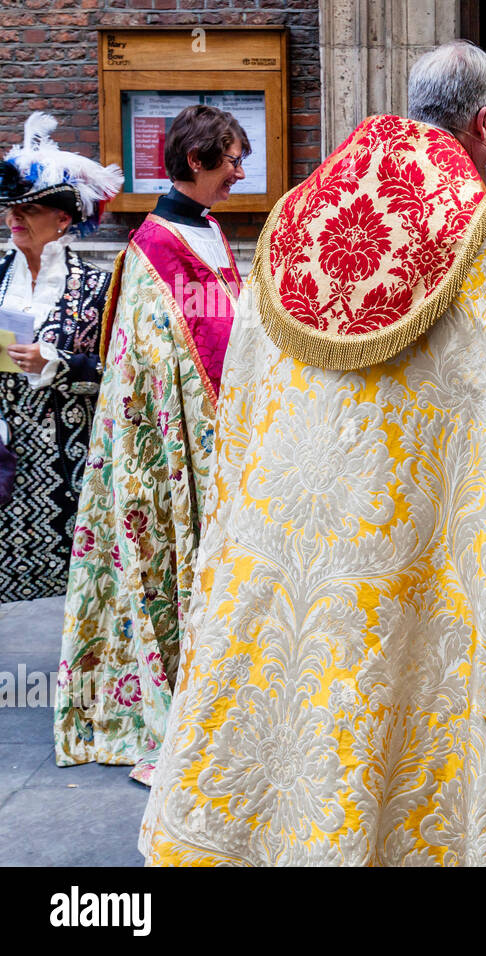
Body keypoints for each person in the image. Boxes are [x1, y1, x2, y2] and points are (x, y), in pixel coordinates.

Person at [138, 39, 486, 866]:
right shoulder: (480, 229)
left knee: (306, 679)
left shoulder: (299, 212)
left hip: (295, 537)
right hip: (421, 544)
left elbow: (249, 393)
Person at [54, 104, 247, 786]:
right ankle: (163, 727)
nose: (239, 172)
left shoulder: (212, 229)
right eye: (230, 160)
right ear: (195, 162)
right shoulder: (153, 247)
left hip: (221, 439)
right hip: (167, 454)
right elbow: (141, 371)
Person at [0, 113, 121, 603]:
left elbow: (121, 374)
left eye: (28, 210)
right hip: (5, 465)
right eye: (11, 210)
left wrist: (61, 365)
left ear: (63, 219)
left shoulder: (97, 287)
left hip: (70, 472)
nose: (14, 218)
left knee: (73, 601)